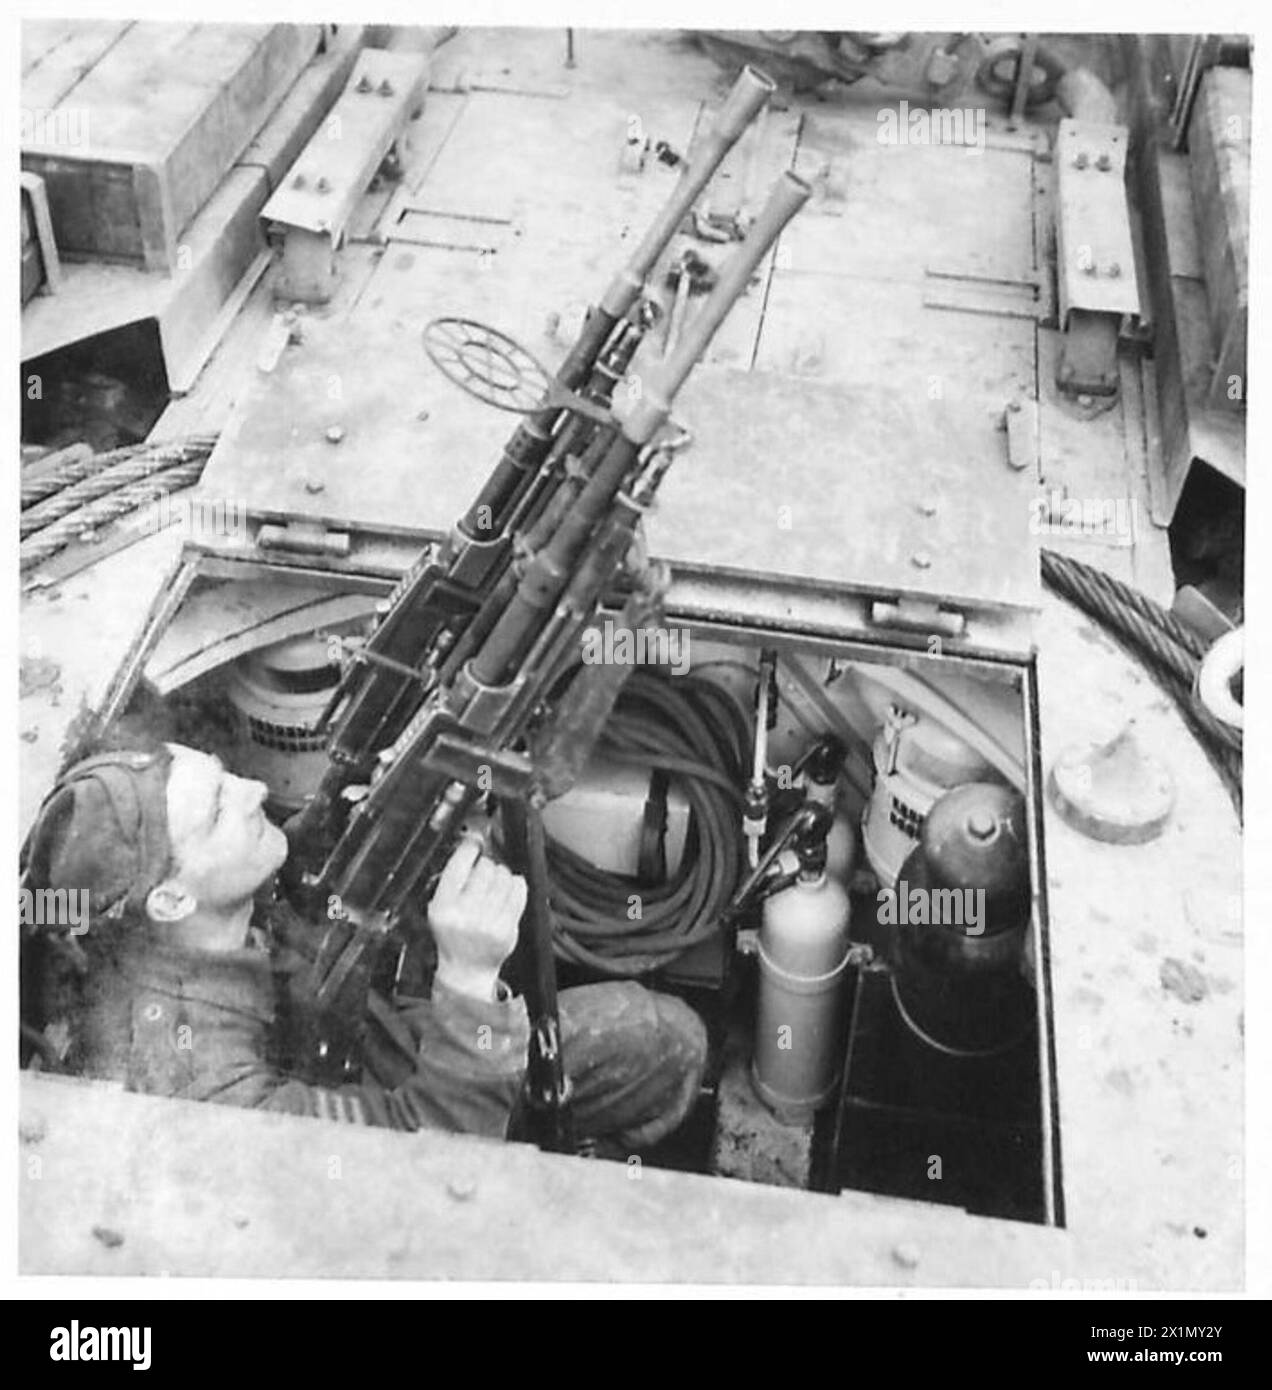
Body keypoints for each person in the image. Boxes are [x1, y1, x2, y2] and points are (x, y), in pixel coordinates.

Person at [21, 740, 707, 1150]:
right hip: (417, 1123)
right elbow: (431, 1151)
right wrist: (469, 981)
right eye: (220, 808)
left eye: (227, 776)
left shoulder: (183, 918)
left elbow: (300, 876)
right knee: (663, 1038)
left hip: (357, 1041)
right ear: (170, 899)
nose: (256, 788)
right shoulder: (209, 1095)